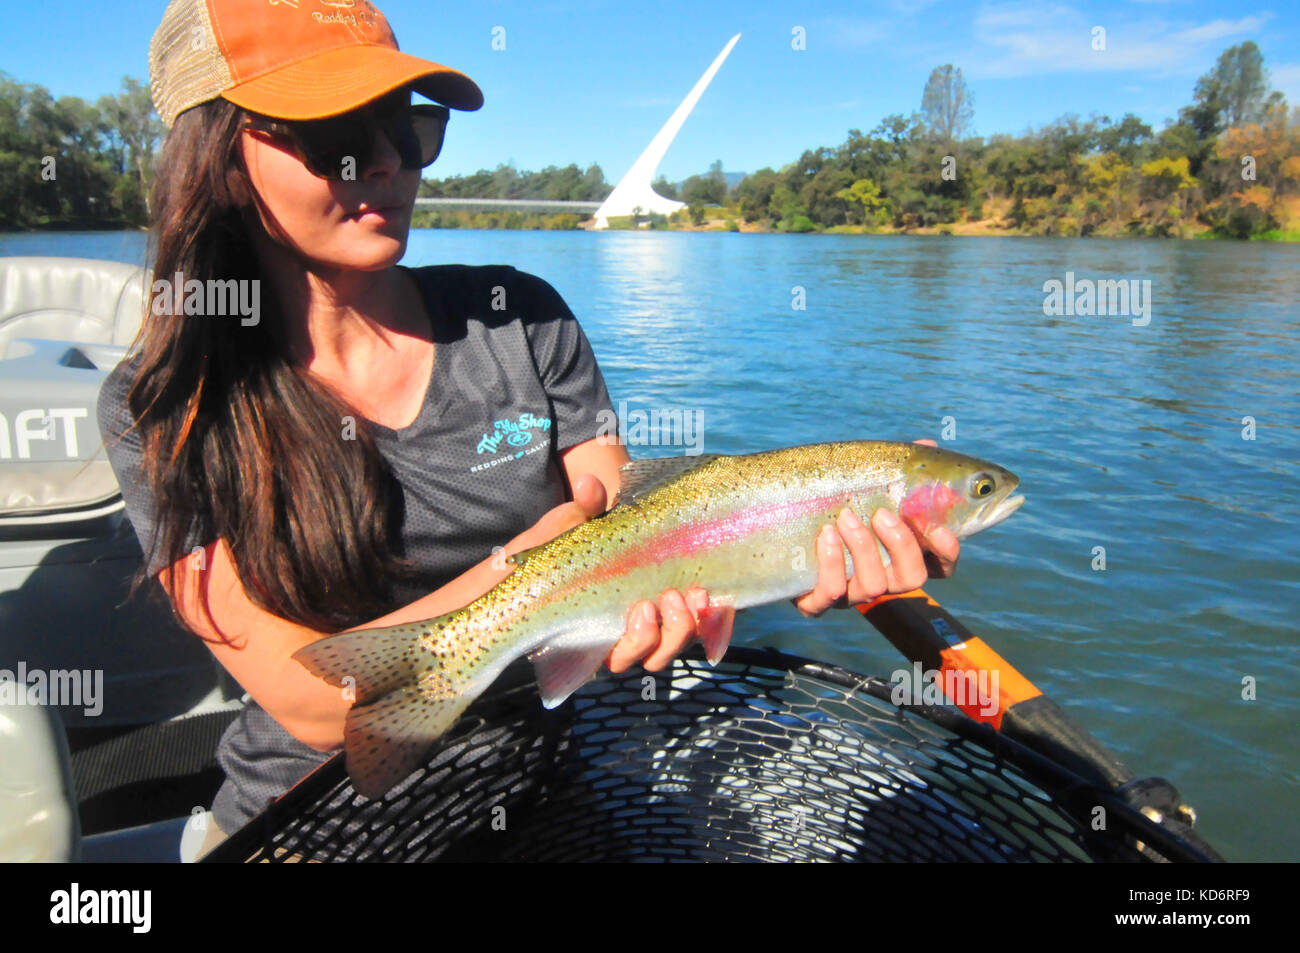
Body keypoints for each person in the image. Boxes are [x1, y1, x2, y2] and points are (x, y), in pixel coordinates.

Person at [98, 0, 961, 859]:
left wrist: (820, 516)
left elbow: (628, 513)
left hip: (541, 787)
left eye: (410, 128)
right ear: (218, 157)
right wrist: (534, 549)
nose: (392, 164)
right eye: (339, 139)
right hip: (307, 813)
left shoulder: (519, 316)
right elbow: (312, 698)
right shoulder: (162, 405)